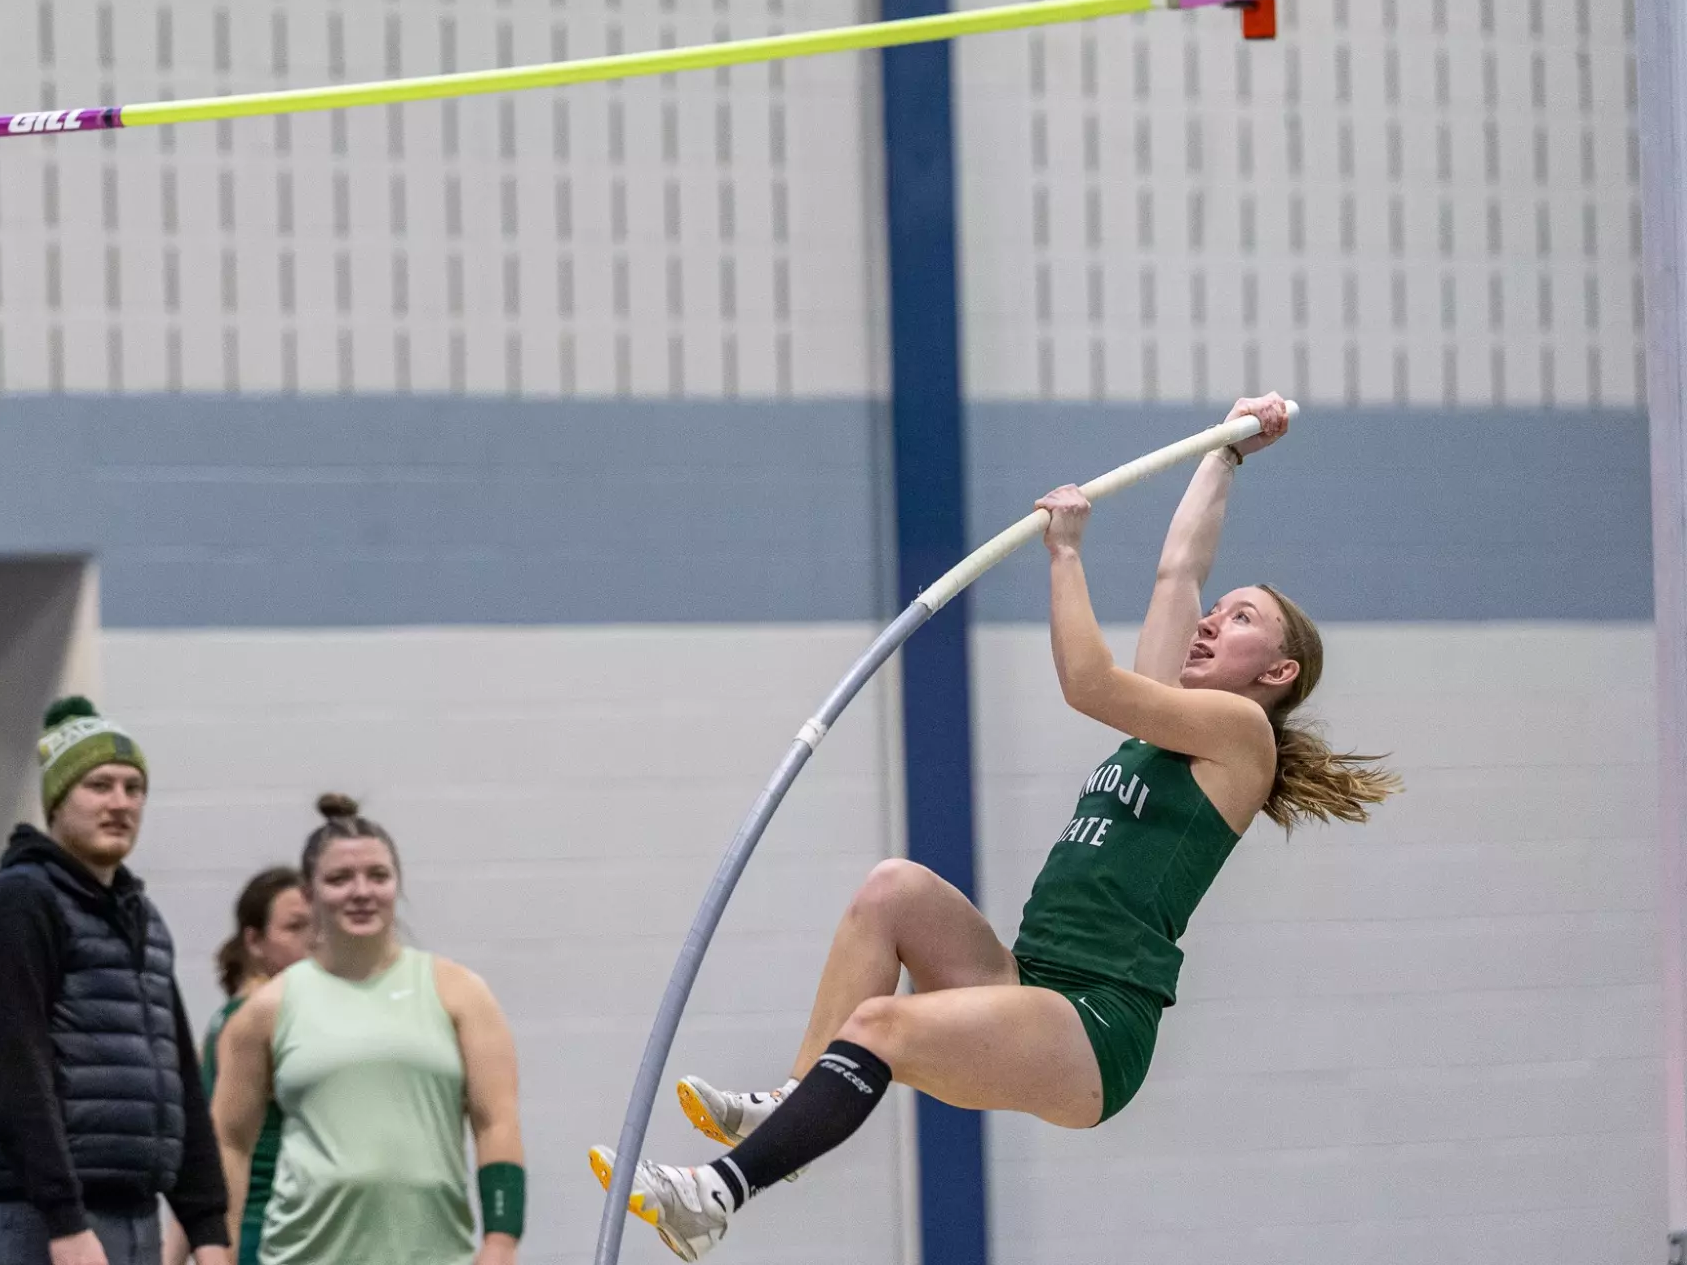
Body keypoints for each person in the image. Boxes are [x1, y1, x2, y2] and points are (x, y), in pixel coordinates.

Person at [588, 394, 1403, 1261]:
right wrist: (1226, 449)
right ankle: (798, 1101)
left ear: (1278, 672)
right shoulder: (1171, 716)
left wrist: (1066, 554)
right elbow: (1178, 573)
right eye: (1223, 607)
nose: (1211, 618)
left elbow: (1087, 683)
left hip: (1094, 1022)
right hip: (1027, 975)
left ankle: (715, 1195)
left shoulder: (1240, 737)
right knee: (893, 889)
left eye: (1241, 618)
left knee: (882, 1026)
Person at [0, 697, 230, 1265]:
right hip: (41, 1220)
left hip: (133, 1215)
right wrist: (65, 1221)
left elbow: (177, 1073)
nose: (120, 803)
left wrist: (206, 1225)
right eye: (99, 785)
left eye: (134, 788)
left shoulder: (140, 917)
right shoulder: (20, 904)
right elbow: (11, 1070)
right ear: (57, 800)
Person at [211, 795, 528, 1265]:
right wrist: (220, 1253)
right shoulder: (266, 1010)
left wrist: (501, 1241)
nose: (361, 892)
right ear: (309, 894)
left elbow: (495, 1120)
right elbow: (229, 1142)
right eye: (340, 879)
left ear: (397, 885)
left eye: (377, 876)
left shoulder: (460, 993)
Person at [161, 868, 314, 1265]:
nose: (313, 939)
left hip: (249, 1233)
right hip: (273, 1235)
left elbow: (200, 1157)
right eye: (295, 927)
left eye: (317, 925)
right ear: (255, 941)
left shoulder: (223, 1021)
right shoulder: (263, 1024)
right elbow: (217, 1150)